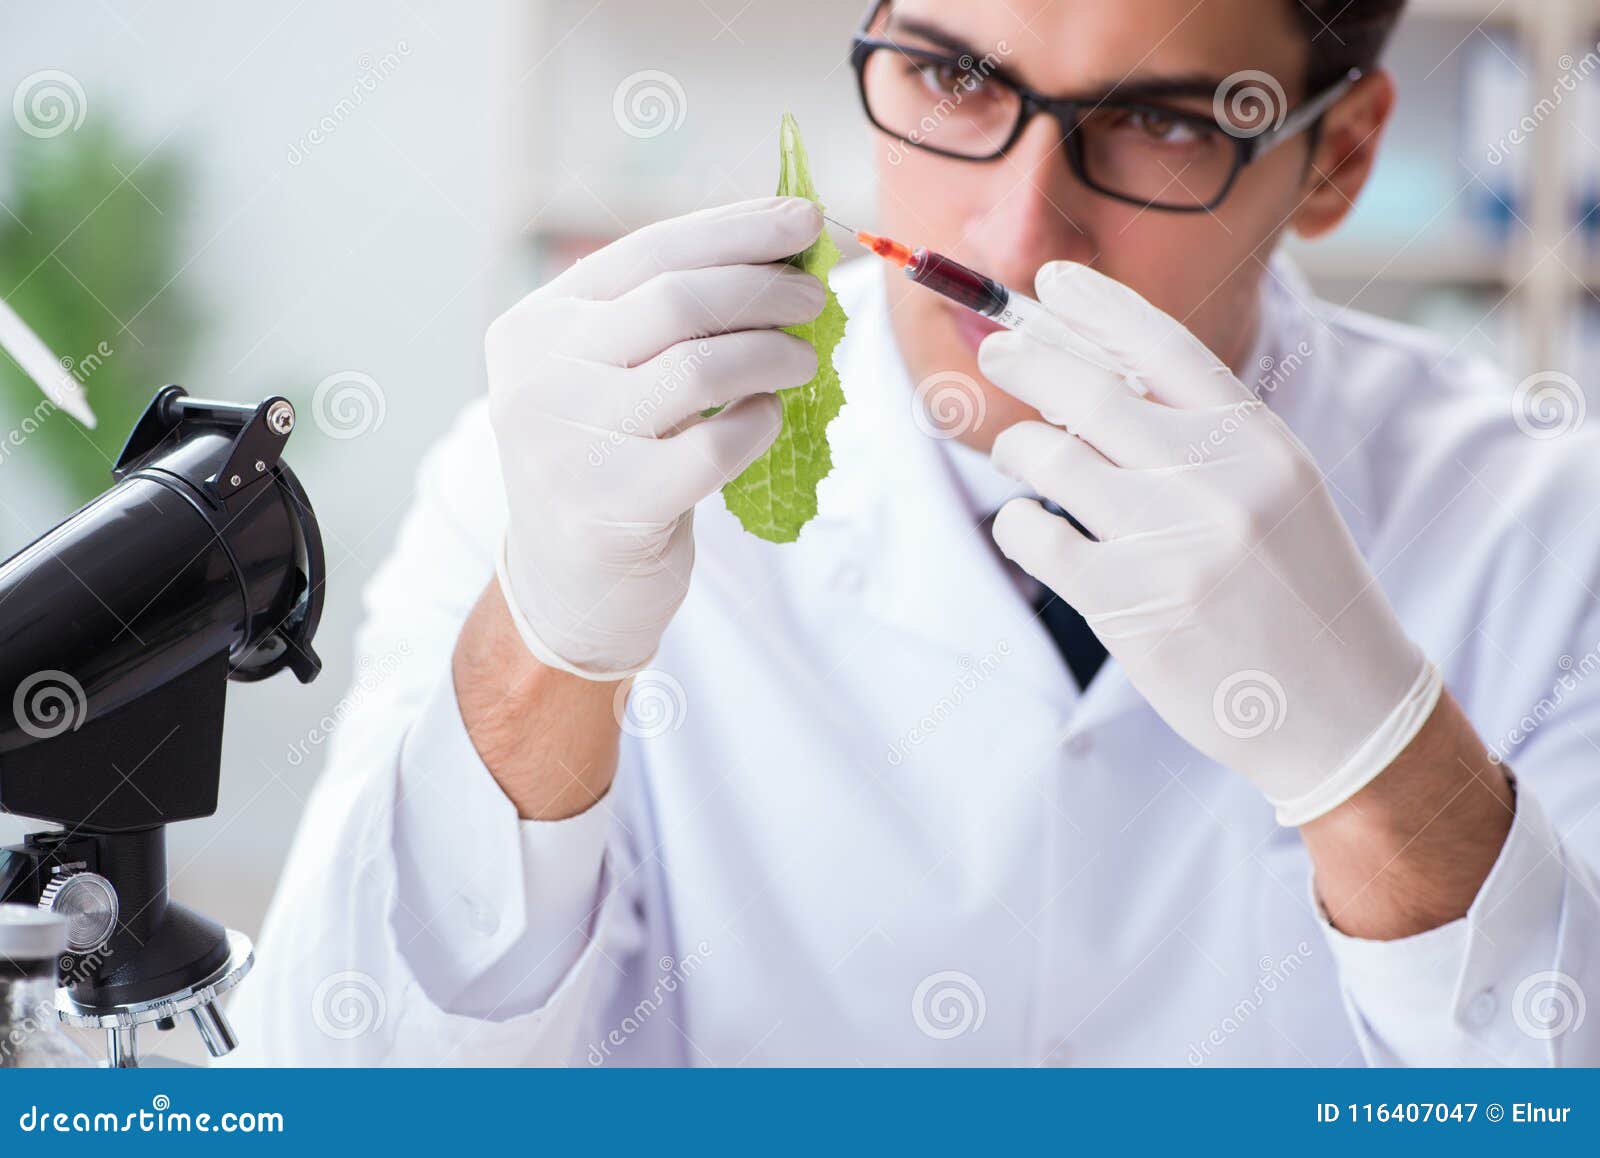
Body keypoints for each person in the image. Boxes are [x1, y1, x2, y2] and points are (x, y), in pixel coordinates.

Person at [228, 0, 1600, 1065]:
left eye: (1161, 122)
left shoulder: (1545, 524)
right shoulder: (576, 467)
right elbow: (351, 1080)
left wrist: (1383, 765)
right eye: (954, 76)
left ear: (1337, 156)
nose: (1017, 228)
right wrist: (546, 645)